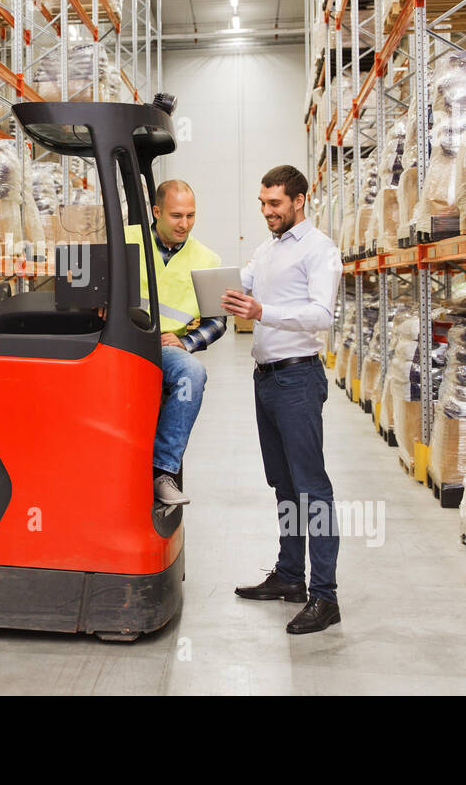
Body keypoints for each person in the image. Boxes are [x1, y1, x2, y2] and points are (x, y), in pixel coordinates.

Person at [221, 165, 344, 635]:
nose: (267, 212)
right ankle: (291, 575)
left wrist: (262, 312)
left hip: (297, 379)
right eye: (262, 204)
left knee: (312, 487)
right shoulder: (267, 249)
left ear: (299, 200)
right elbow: (241, 286)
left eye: (275, 204)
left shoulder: (320, 250)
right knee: (284, 485)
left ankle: (326, 595)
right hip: (267, 379)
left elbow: (320, 315)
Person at [123, 180, 225, 506]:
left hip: (166, 349)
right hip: (119, 341)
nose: (184, 224)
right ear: (156, 212)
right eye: (176, 215)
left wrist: (187, 341)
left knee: (192, 374)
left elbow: (217, 321)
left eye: (191, 216)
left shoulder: (208, 259)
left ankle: (162, 471)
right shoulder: (126, 241)